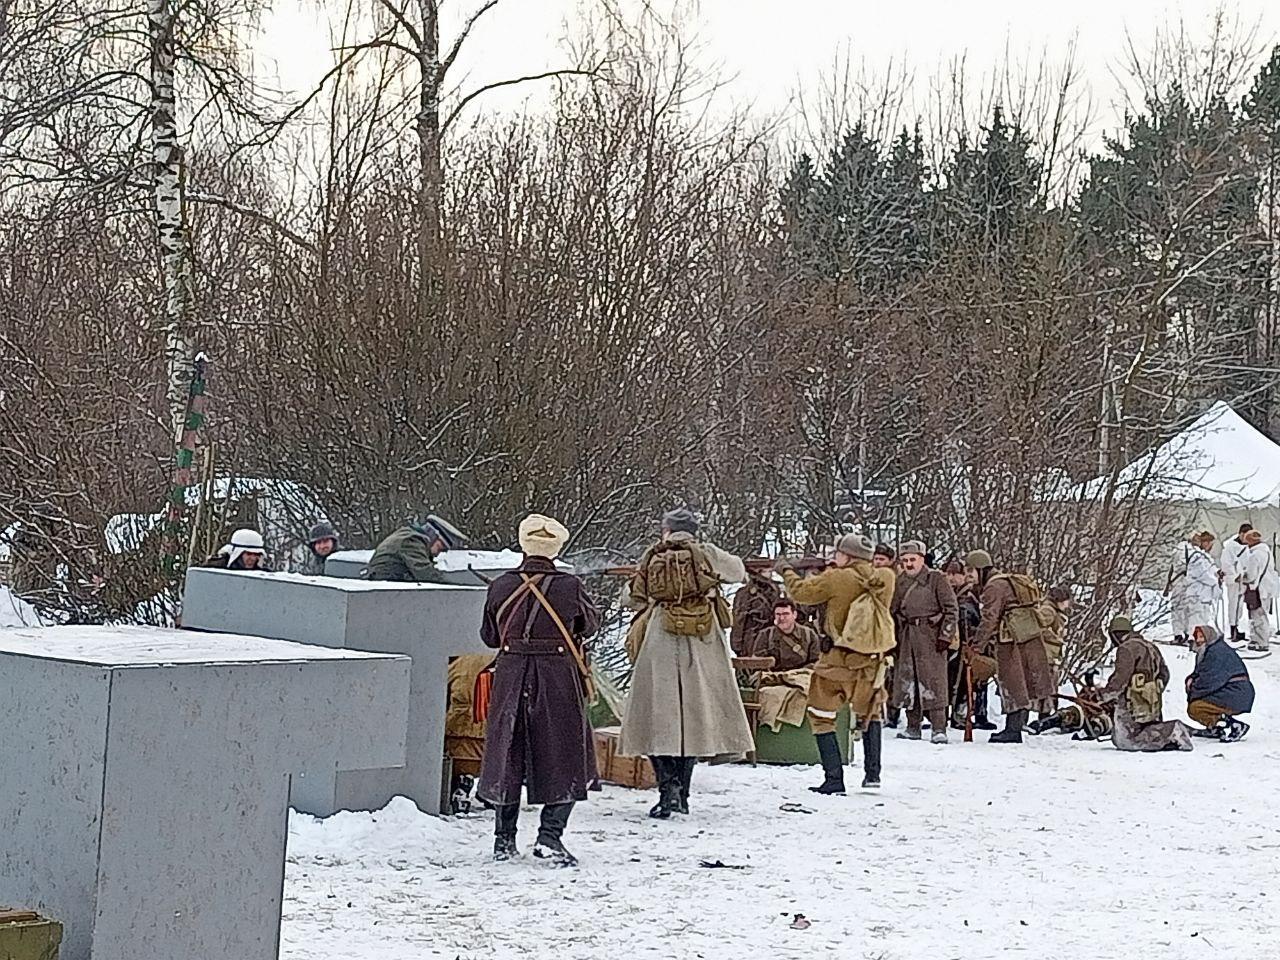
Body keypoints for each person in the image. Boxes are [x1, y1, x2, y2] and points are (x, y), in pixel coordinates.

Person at [477, 514, 600, 866]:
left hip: (511, 673)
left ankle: (503, 841)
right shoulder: (570, 586)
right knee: (565, 754)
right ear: (556, 548)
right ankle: (549, 837)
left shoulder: (500, 585)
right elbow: (588, 625)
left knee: (507, 754)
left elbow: (489, 637)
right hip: (557, 676)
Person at [620, 509, 753, 820]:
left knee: (657, 717)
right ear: (693, 530)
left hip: (660, 639)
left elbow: (631, 597)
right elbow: (738, 572)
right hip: (702, 639)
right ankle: (684, 796)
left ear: (666, 530)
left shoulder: (653, 554)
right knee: (694, 718)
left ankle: (667, 792)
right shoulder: (706, 553)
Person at [780, 533, 895, 793]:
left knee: (821, 716)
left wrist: (786, 570)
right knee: (871, 713)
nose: (835, 556)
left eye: (838, 553)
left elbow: (801, 593)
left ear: (848, 555)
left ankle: (834, 779)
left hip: (837, 662)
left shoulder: (837, 578)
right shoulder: (882, 580)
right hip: (871, 664)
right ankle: (872, 775)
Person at [968, 550, 1055, 744]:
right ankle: (1014, 726)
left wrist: (977, 646)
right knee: (1020, 682)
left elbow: (989, 618)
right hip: (1024, 636)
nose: (970, 576)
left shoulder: (993, 587)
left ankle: (1012, 730)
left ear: (981, 569)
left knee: (1012, 682)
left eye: (971, 570)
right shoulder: (1004, 581)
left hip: (1010, 640)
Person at [890, 540, 958, 743]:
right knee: (909, 681)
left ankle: (939, 728)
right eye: (905, 560)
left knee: (934, 682)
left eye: (912, 559)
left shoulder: (936, 579)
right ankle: (913, 726)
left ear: (921, 559)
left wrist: (945, 636)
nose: (909, 564)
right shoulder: (900, 582)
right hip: (907, 636)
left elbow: (951, 609)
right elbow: (892, 611)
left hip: (931, 637)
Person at [1098, 615, 1192, 752]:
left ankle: (1172, 729)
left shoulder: (1126, 648)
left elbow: (1121, 679)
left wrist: (1103, 696)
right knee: (1146, 728)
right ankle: (1168, 734)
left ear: (1114, 634)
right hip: (1152, 700)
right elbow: (1165, 674)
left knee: (1125, 741)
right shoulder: (1151, 646)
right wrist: (1154, 690)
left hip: (1132, 702)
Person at [946, 560, 996, 731]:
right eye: (949, 574)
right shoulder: (950, 593)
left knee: (974, 680)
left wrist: (977, 641)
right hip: (958, 643)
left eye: (955, 574)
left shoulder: (971, 594)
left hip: (971, 643)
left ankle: (975, 715)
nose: (951, 578)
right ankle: (959, 715)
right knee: (958, 682)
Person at [1186, 624, 1255, 742]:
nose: (1198, 641)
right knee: (1196, 705)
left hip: (1235, 693)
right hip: (1235, 691)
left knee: (1196, 707)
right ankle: (1216, 726)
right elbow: (1202, 675)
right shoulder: (1213, 650)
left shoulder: (1215, 653)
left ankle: (1230, 725)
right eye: (1197, 637)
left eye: (1202, 637)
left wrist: (1193, 688)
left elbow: (1208, 680)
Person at [364, 514, 467, 582]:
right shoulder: (412, 542)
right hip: (386, 587)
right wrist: (455, 589)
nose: (437, 554)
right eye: (440, 548)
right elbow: (426, 574)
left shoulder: (406, 534)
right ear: (433, 536)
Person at [1026, 671, 1113, 739]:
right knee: (1069, 715)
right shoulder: (1100, 693)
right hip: (1086, 711)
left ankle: (1093, 730)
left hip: (1108, 717)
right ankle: (1043, 724)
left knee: (1101, 722)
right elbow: (1088, 697)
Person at [749, 598, 822, 670]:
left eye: (785, 614)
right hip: (772, 678)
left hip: (801, 678)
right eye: (778, 614)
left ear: (794, 615)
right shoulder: (765, 635)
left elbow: (815, 662)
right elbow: (757, 663)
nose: (782, 618)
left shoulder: (809, 634)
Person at [1035, 586, 1072, 720]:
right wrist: (1053, 637)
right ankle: (1043, 715)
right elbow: (1036, 627)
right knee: (1046, 687)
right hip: (1045, 655)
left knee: (1050, 686)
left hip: (1050, 655)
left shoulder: (1053, 611)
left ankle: (1045, 714)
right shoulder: (1048, 611)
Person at [1237, 529, 1277, 652]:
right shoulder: (1267, 552)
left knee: (1257, 616)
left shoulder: (1254, 555)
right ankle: (1259, 639)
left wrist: (1241, 577)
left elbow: (1251, 575)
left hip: (1257, 589)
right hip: (1266, 587)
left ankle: (1261, 641)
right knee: (1262, 614)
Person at [730, 570, 781, 656]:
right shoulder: (745, 593)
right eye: (766, 570)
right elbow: (740, 618)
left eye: (769, 570)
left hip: (770, 638)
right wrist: (737, 642)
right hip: (752, 638)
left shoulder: (774, 590)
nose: (769, 573)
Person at [1183, 531, 1220, 643]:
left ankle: (1198, 639)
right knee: (1197, 619)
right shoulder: (1196, 557)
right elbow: (1203, 575)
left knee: (1202, 618)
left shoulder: (1203, 556)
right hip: (1197, 595)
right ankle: (1194, 639)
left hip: (1203, 595)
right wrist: (1215, 580)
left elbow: (1211, 570)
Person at [1221, 523, 1253, 643]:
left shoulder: (1249, 547)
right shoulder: (1230, 547)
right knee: (1233, 604)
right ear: (1240, 534)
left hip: (1244, 580)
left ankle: (1237, 626)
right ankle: (1232, 628)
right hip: (1234, 580)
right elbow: (1226, 563)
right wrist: (1234, 575)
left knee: (1240, 606)